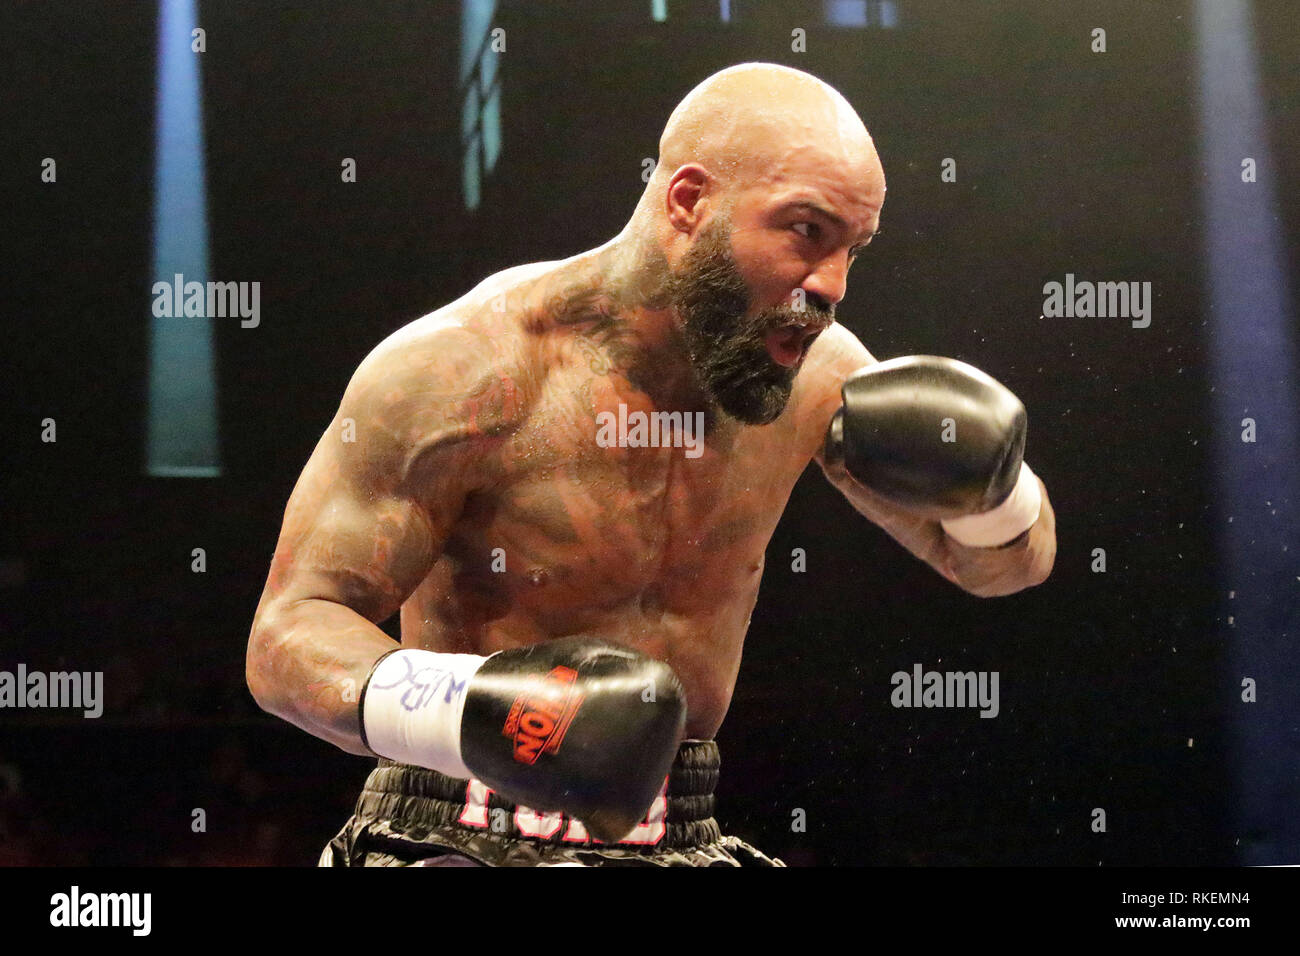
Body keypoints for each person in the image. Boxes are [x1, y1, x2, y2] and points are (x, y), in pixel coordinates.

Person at [246, 62, 1056, 867]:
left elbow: (1000, 569)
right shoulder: (463, 373)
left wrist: (1000, 493)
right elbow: (287, 637)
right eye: (806, 231)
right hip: (457, 828)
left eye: (855, 248)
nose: (832, 285)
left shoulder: (815, 376)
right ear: (688, 201)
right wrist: (478, 715)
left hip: (684, 832)